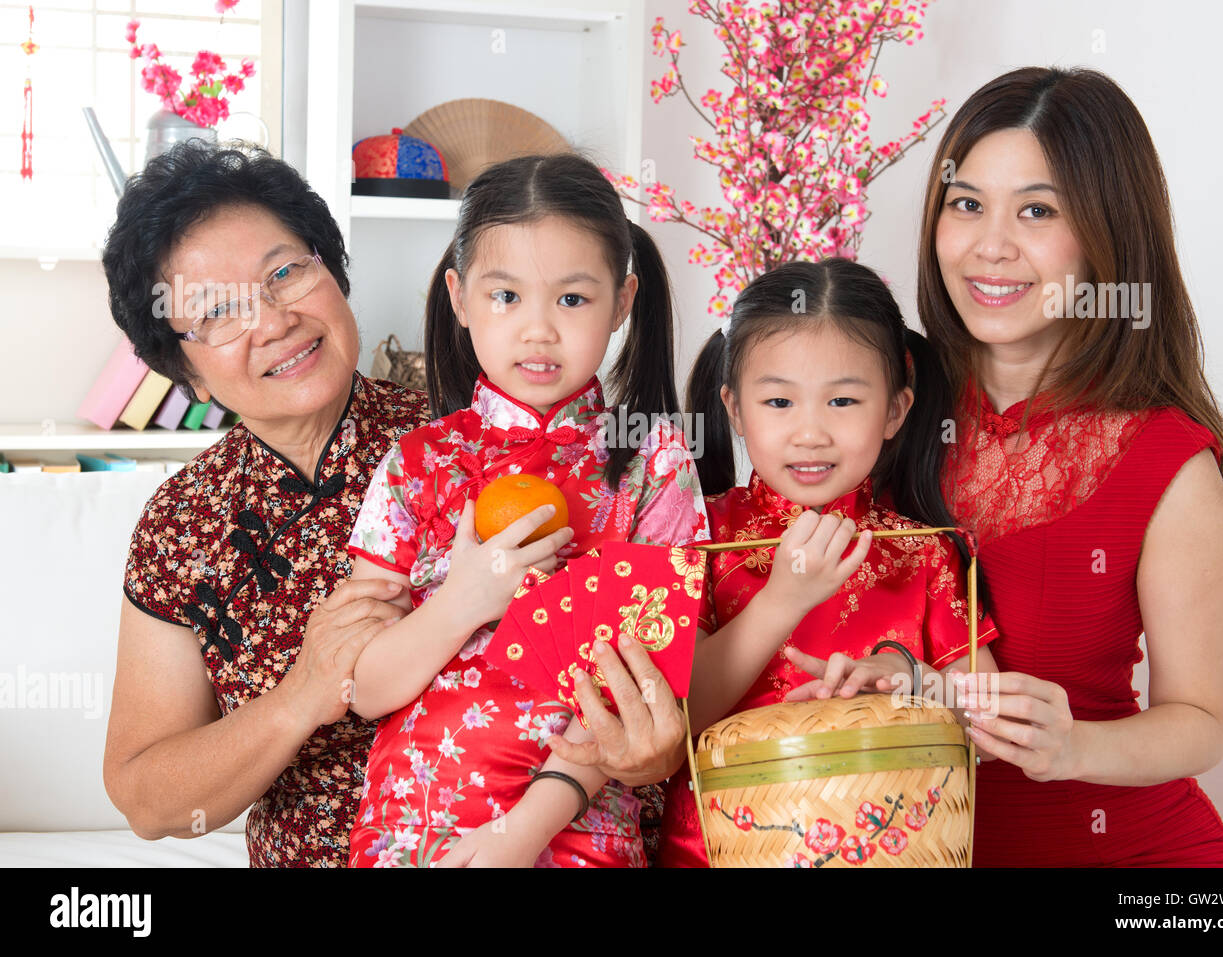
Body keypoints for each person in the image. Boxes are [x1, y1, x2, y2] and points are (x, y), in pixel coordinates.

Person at [100, 143, 691, 867]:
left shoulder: (458, 435)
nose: (275, 320)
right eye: (220, 311)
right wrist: (303, 696)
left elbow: (657, 650)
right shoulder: (184, 522)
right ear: (181, 367)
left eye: (285, 272)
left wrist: (649, 741)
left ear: (332, 267)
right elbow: (147, 797)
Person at [910, 66, 1223, 866]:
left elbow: (1200, 720)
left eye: (1037, 210)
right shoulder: (888, 405)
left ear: (1106, 233)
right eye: (967, 205)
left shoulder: (1169, 462)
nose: (991, 245)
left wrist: (1070, 749)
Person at [343, 152, 710, 868]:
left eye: (572, 299)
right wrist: (465, 599)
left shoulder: (651, 462)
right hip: (417, 817)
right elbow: (365, 685)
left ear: (623, 300)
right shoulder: (416, 462)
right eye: (505, 296)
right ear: (459, 297)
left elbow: (650, 683)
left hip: (575, 817)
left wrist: (523, 831)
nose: (538, 329)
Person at [655, 259, 999, 867]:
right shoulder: (699, 535)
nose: (810, 432)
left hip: (893, 846)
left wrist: (909, 680)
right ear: (734, 408)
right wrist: (782, 599)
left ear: (894, 411)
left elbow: (992, 720)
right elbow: (673, 721)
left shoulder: (922, 551)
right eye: (779, 401)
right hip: (716, 851)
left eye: (843, 400)